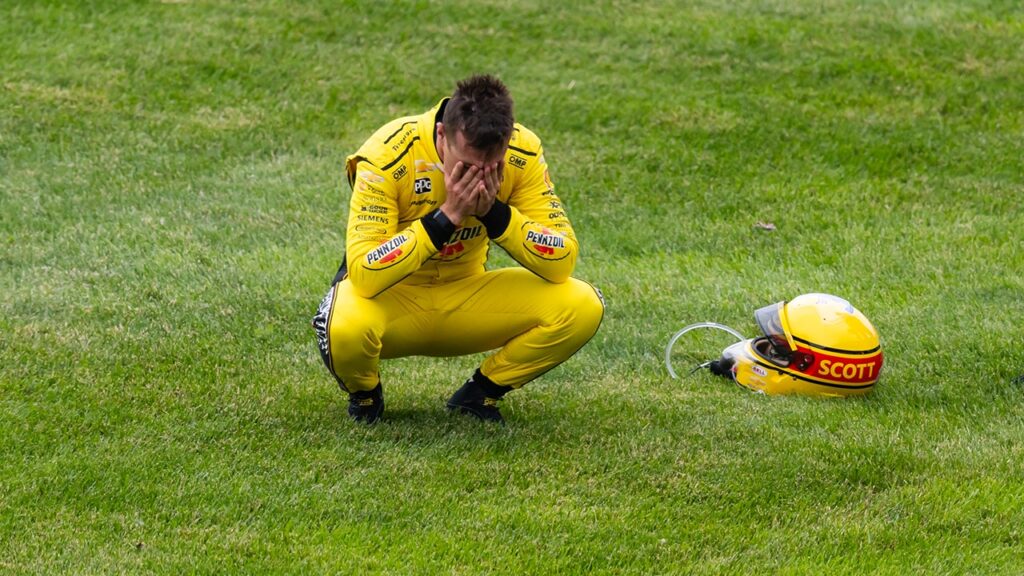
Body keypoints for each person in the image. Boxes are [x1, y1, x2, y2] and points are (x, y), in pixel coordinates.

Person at [312, 74, 604, 424]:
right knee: (341, 323)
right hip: (392, 300)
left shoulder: (522, 152)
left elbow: (562, 260)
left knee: (582, 305)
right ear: (441, 137)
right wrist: (447, 216)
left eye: (492, 166)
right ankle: (365, 394)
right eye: (466, 165)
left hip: (466, 296)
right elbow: (364, 274)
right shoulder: (386, 154)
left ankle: (480, 393)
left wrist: (494, 213)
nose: (480, 178)